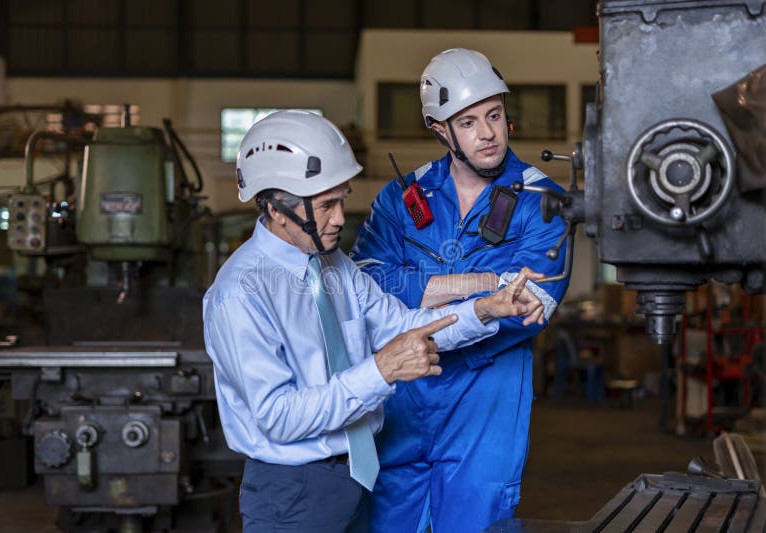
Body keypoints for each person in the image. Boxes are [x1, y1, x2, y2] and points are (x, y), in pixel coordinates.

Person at [202, 110, 547, 532]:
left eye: (342, 199)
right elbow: (277, 416)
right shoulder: (240, 295)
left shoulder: (333, 265)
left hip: (357, 476)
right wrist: (381, 370)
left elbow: (402, 324)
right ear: (276, 209)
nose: (339, 218)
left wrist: (484, 310)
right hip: (292, 494)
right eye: (327, 205)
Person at [350, 48, 571, 532]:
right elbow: (365, 286)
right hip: (402, 402)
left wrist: (418, 295)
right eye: (468, 122)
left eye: (494, 114)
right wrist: (484, 286)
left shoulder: (545, 202)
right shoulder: (401, 199)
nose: (488, 132)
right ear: (440, 130)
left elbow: (526, 307)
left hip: (484, 409)